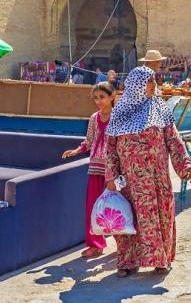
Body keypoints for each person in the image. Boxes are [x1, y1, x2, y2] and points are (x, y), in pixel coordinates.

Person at [105, 66, 191, 277]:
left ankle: (161, 260)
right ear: (137, 85)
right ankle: (127, 262)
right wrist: (111, 176)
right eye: (149, 82)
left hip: (157, 179)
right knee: (130, 219)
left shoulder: (160, 108)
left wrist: (185, 166)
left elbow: (174, 140)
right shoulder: (120, 111)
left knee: (161, 217)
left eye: (154, 81)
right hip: (129, 182)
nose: (154, 86)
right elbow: (110, 148)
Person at [62, 82, 115, 258]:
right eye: (96, 98)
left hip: (113, 169)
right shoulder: (94, 118)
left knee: (116, 207)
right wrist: (76, 150)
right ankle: (96, 245)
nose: (99, 101)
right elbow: (89, 141)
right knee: (93, 207)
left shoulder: (118, 117)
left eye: (102, 97)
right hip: (95, 167)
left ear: (112, 96)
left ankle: (125, 246)